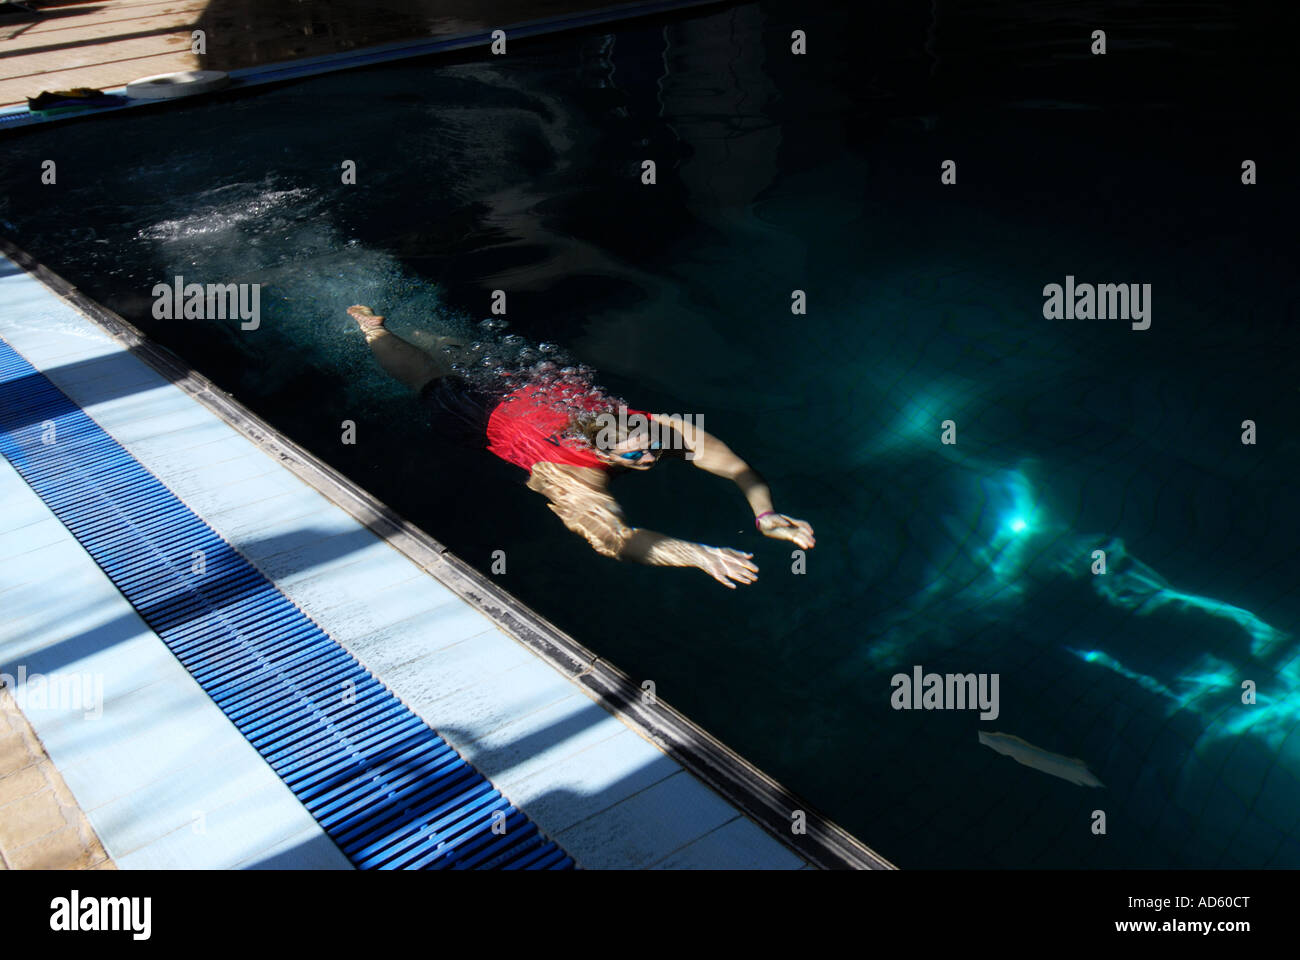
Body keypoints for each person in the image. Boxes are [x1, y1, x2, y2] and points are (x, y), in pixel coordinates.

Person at [348, 305, 815, 587]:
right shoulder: (573, 475)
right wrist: (697, 554)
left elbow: (738, 468)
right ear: (605, 454)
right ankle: (373, 330)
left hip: (523, 386)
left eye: (648, 443)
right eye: (634, 455)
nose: (651, 455)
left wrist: (765, 514)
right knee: (428, 378)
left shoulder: (665, 429)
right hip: (481, 417)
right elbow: (615, 541)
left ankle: (420, 332)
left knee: (472, 355)